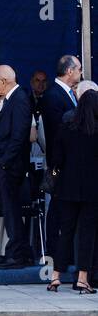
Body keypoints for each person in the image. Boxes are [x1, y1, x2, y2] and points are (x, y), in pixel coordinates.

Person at [46, 89, 98, 294]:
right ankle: (83, 278)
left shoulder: (66, 128)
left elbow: (56, 159)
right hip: (93, 190)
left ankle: (56, 276)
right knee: (87, 233)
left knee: (65, 232)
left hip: (66, 189)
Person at [0, 65, 35, 268]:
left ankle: (17, 254)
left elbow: (19, 135)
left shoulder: (20, 98)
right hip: (8, 163)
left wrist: (4, 162)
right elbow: (6, 128)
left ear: (3, 81)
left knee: (12, 210)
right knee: (10, 210)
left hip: (11, 165)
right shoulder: (10, 99)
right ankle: (19, 251)